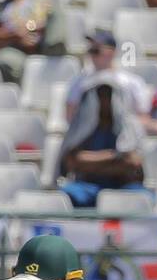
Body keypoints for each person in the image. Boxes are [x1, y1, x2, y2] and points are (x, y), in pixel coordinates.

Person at [58, 76, 146, 208]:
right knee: (66, 193)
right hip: (88, 188)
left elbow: (134, 163)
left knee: (143, 195)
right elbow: (72, 162)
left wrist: (91, 164)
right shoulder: (80, 128)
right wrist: (115, 157)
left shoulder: (130, 127)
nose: (105, 101)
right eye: (101, 96)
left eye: (109, 96)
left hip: (121, 188)